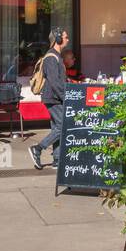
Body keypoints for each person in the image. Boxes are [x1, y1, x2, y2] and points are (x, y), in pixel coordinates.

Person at [30, 28, 70, 170]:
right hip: (53, 98)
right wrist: (66, 97)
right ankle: (38, 148)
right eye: (65, 37)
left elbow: (60, 79)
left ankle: (57, 160)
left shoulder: (56, 56)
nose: (67, 39)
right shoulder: (51, 57)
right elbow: (54, 82)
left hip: (55, 97)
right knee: (62, 126)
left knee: (56, 127)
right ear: (58, 39)